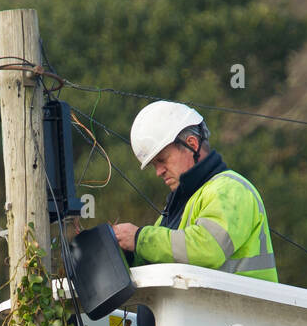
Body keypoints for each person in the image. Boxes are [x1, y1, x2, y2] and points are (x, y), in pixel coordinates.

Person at [110, 101, 278, 282]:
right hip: (201, 309)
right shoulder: (178, 205)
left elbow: (208, 249)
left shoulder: (230, 189)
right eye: (154, 165)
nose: (159, 172)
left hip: (234, 309)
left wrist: (139, 238)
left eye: (162, 160)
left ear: (192, 144)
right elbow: (158, 261)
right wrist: (124, 251)